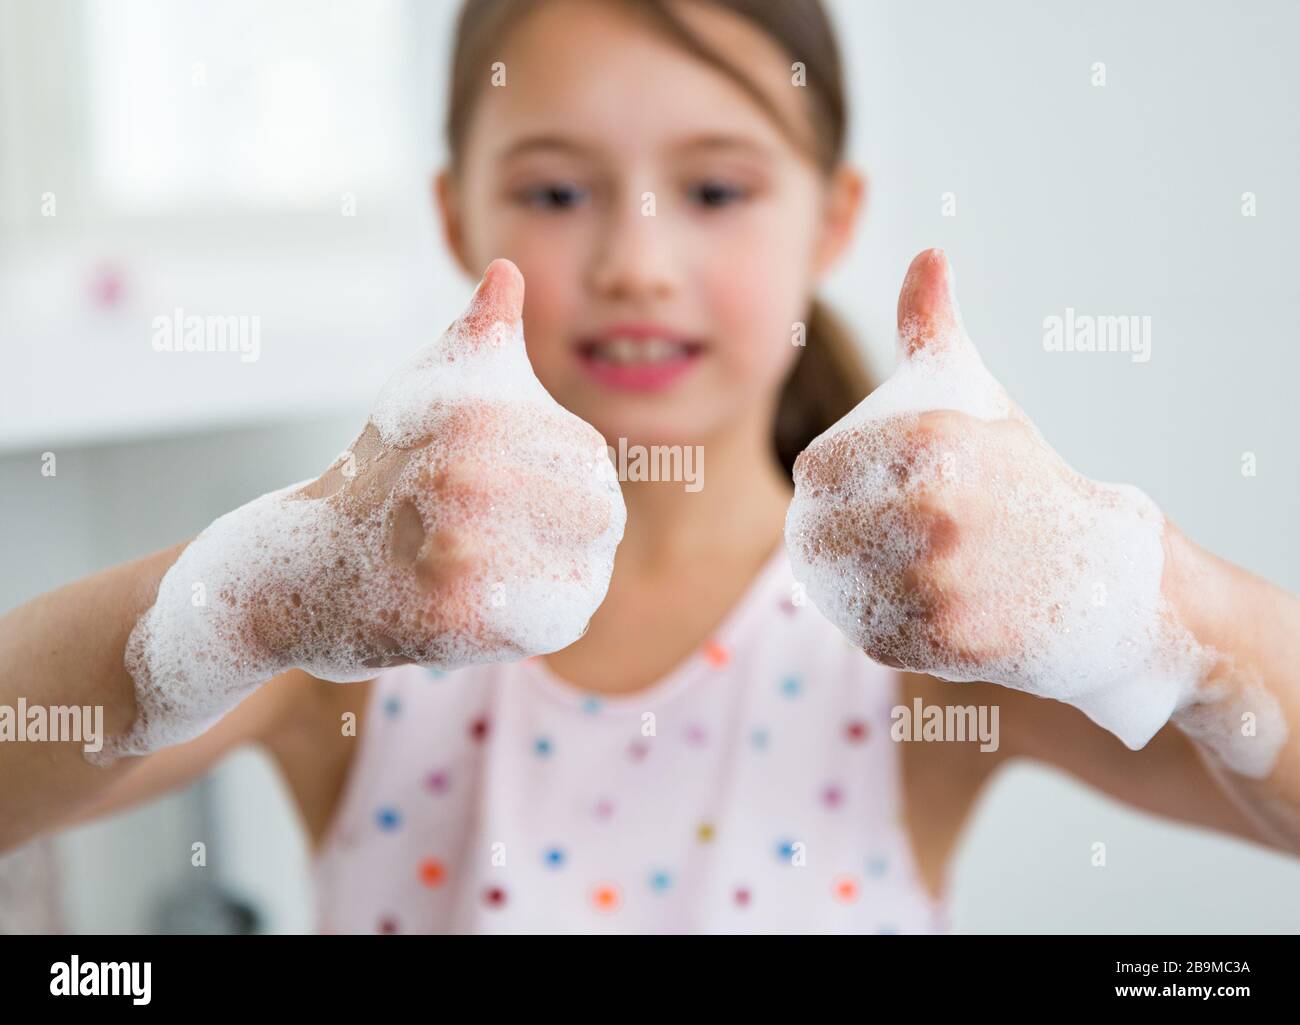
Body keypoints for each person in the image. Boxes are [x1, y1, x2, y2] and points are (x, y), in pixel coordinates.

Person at [1, 0, 1297, 933]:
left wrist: (1142, 593)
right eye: (559, 193)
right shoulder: (355, 646)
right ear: (459, 215)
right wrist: (255, 593)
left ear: (832, 217)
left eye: (718, 191)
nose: (636, 260)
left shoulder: (930, 645)